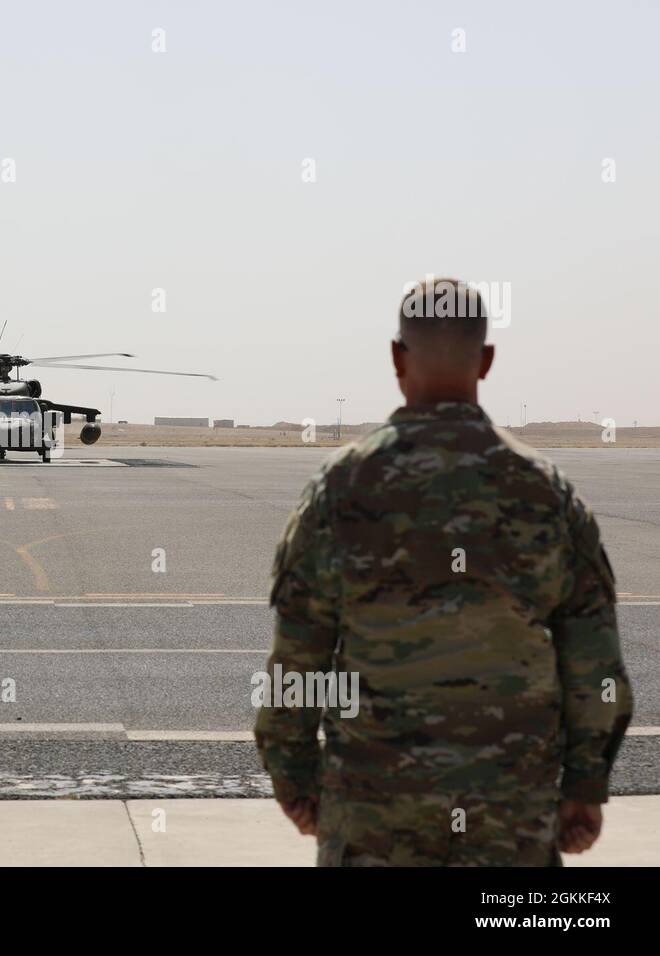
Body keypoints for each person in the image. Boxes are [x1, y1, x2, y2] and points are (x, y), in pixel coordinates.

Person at [255, 277, 633, 866]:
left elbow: (298, 664)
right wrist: (584, 787)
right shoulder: (544, 494)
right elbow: (594, 664)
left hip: (373, 818)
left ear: (395, 357)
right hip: (510, 821)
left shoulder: (340, 491)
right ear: (486, 360)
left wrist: (297, 781)